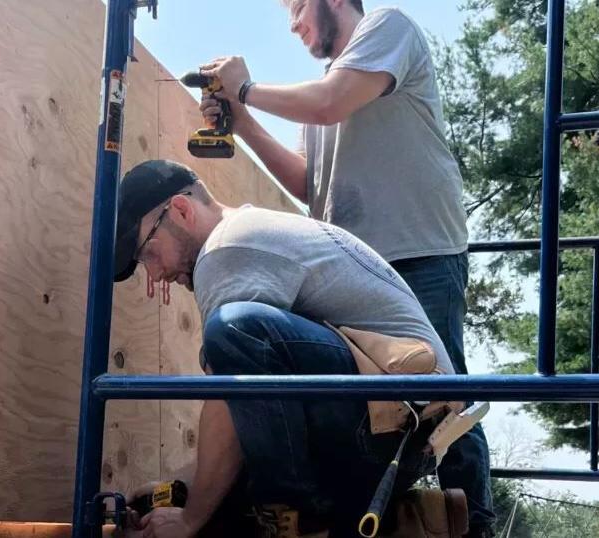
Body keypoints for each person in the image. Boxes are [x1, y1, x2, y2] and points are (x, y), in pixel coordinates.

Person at [197, 1, 495, 535]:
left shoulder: (389, 29)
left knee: (443, 394)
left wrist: (246, 90)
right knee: (371, 410)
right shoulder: (324, 89)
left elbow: (331, 103)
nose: (292, 24)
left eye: (296, 7)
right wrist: (242, 122)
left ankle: (477, 524)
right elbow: (308, 181)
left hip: (415, 251)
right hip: (352, 273)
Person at [113, 160, 457, 538]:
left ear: (180, 210)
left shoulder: (225, 248)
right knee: (218, 491)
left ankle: (300, 517)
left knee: (235, 328)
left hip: (391, 424)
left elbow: (228, 396)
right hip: (398, 427)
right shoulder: (253, 230)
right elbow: (248, 411)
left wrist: (190, 517)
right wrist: (179, 489)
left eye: (147, 251)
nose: (155, 274)